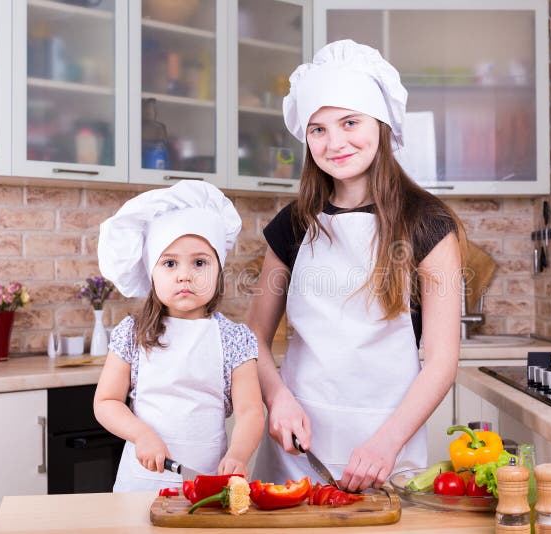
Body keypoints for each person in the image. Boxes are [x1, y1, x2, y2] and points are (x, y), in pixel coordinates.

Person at [248, 40, 467, 492]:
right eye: (318, 130)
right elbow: (253, 339)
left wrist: (386, 443)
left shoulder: (428, 223)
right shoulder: (292, 225)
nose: (335, 142)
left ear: (381, 124)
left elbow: (442, 361)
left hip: (386, 447)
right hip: (296, 449)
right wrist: (279, 399)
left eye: (350, 122)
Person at [93, 181, 265, 492]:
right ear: (151, 272)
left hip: (206, 484)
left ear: (218, 271)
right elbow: (106, 401)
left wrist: (239, 455)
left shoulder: (235, 339)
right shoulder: (133, 334)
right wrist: (141, 434)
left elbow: (250, 410)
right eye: (169, 263)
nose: (185, 275)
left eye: (200, 262)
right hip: (139, 485)